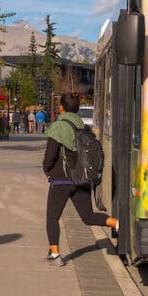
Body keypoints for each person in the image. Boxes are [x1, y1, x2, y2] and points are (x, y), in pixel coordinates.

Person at [41, 92, 117, 266]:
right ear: (76, 108)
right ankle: (117, 224)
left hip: (62, 179)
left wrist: (47, 169)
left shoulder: (58, 126)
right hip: (81, 179)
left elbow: (50, 154)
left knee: (52, 217)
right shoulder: (83, 126)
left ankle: (55, 255)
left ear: (61, 107)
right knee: (88, 216)